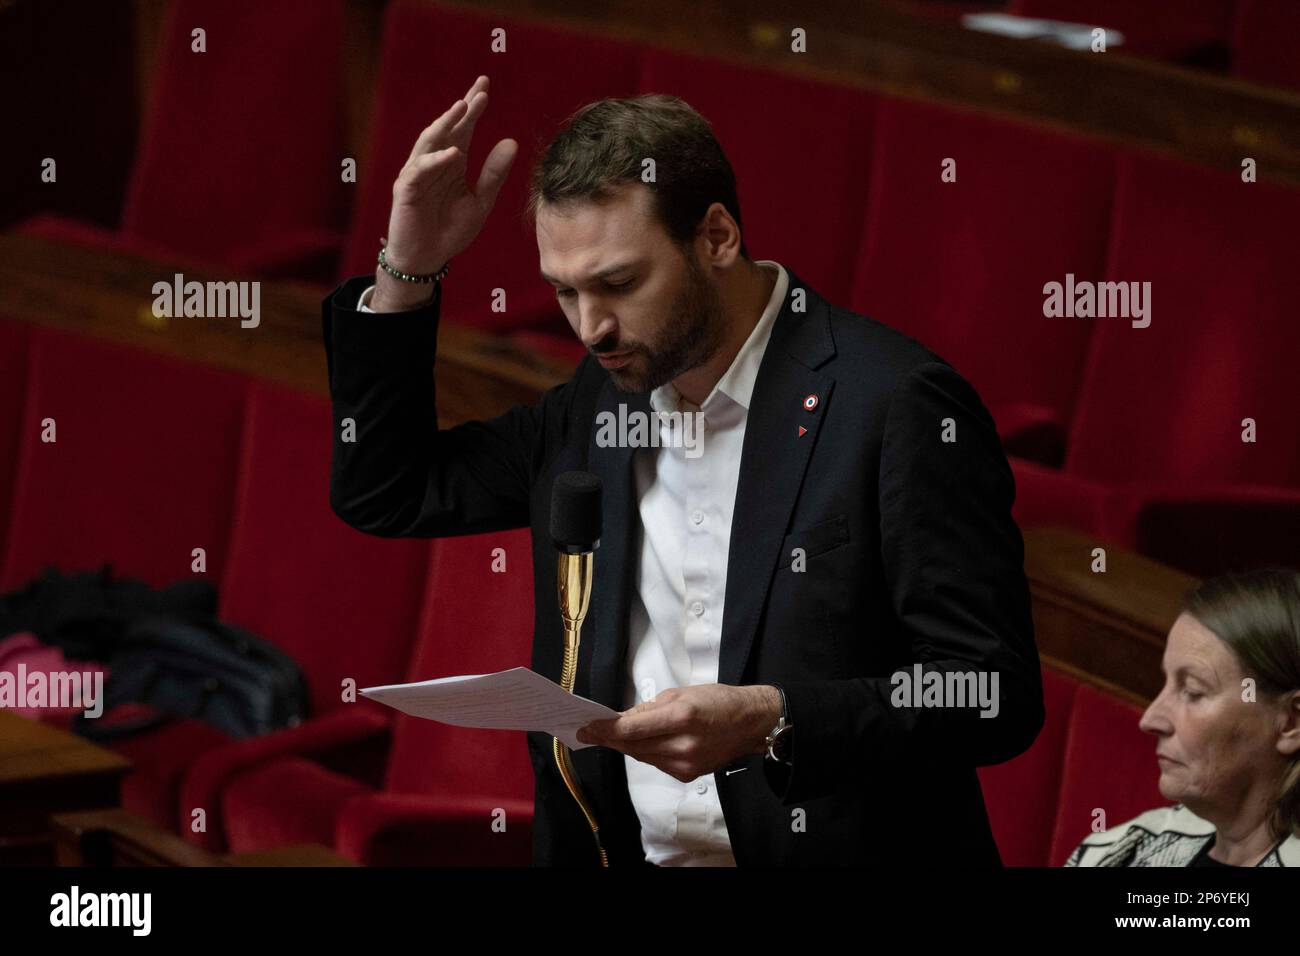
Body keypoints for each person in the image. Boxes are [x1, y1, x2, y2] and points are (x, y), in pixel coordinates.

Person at [323, 74, 1044, 866]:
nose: (592, 327)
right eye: (564, 292)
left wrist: (777, 716)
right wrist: (407, 271)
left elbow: (990, 693)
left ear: (716, 237)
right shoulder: (599, 398)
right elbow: (390, 492)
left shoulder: (893, 404)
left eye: (620, 283)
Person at [1067, 568, 1300, 866]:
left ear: (1291, 723)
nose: (1150, 719)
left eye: (1192, 690)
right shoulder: (1120, 852)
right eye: (1165, 683)